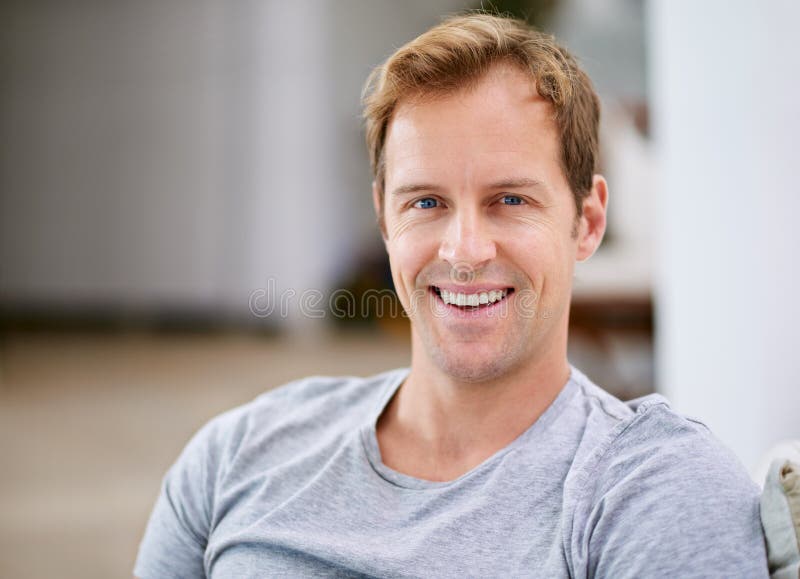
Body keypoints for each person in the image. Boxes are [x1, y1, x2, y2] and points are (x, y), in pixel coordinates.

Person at [135, 13, 767, 578]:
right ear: (385, 220)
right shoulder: (239, 453)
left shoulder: (652, 491)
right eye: (427, 202)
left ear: (588, 220)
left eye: (510, 200)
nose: (465, 251)